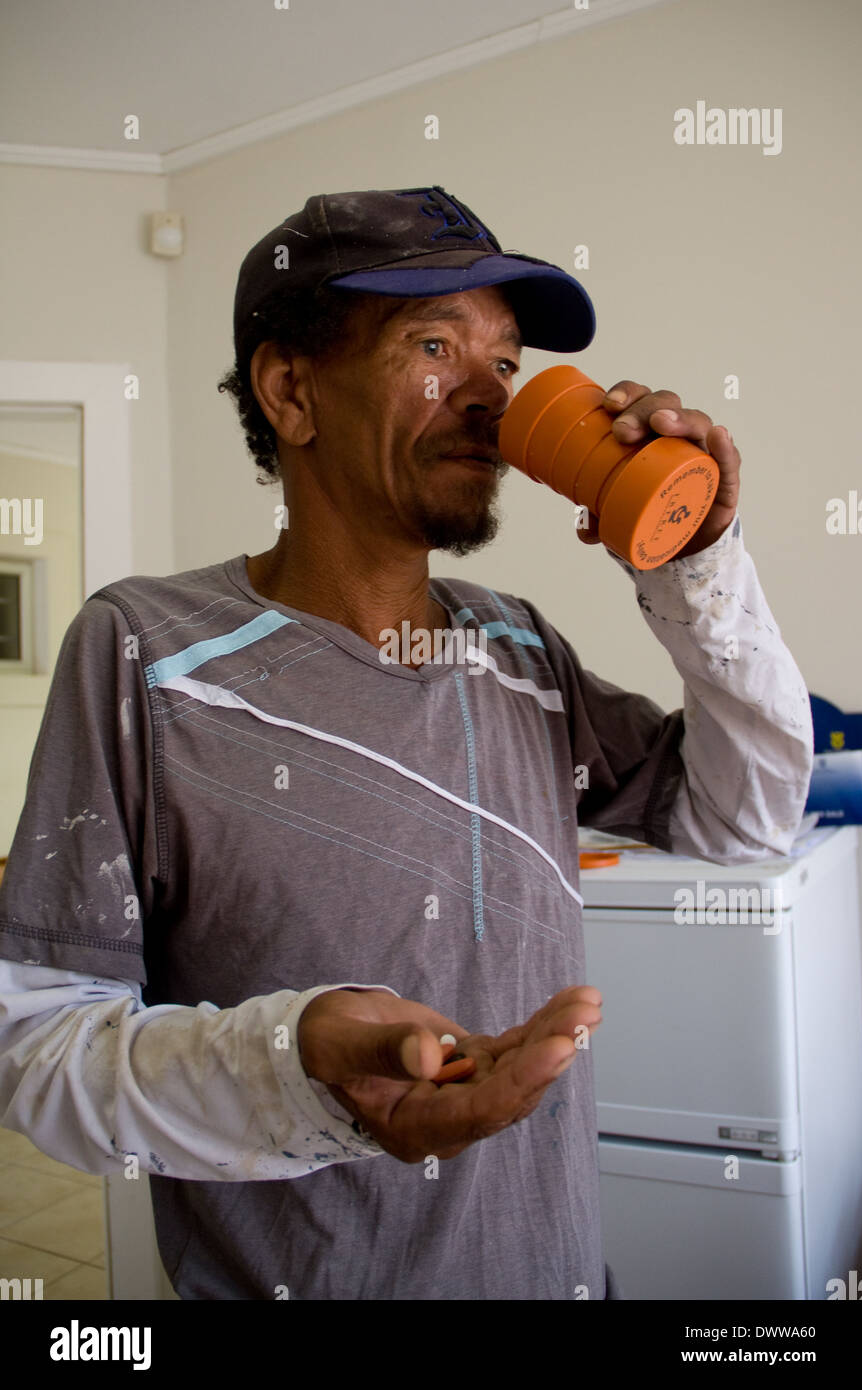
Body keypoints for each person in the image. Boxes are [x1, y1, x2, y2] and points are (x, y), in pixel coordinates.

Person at [0, 185, 812, 1300]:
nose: (488, 398)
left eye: (507, 363)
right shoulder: (143, 652)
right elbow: (39, 1047)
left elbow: (743, 815)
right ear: (291, 391)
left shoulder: (515, 645)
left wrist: (696, 561)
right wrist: (297, 1062)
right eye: (434, 344)